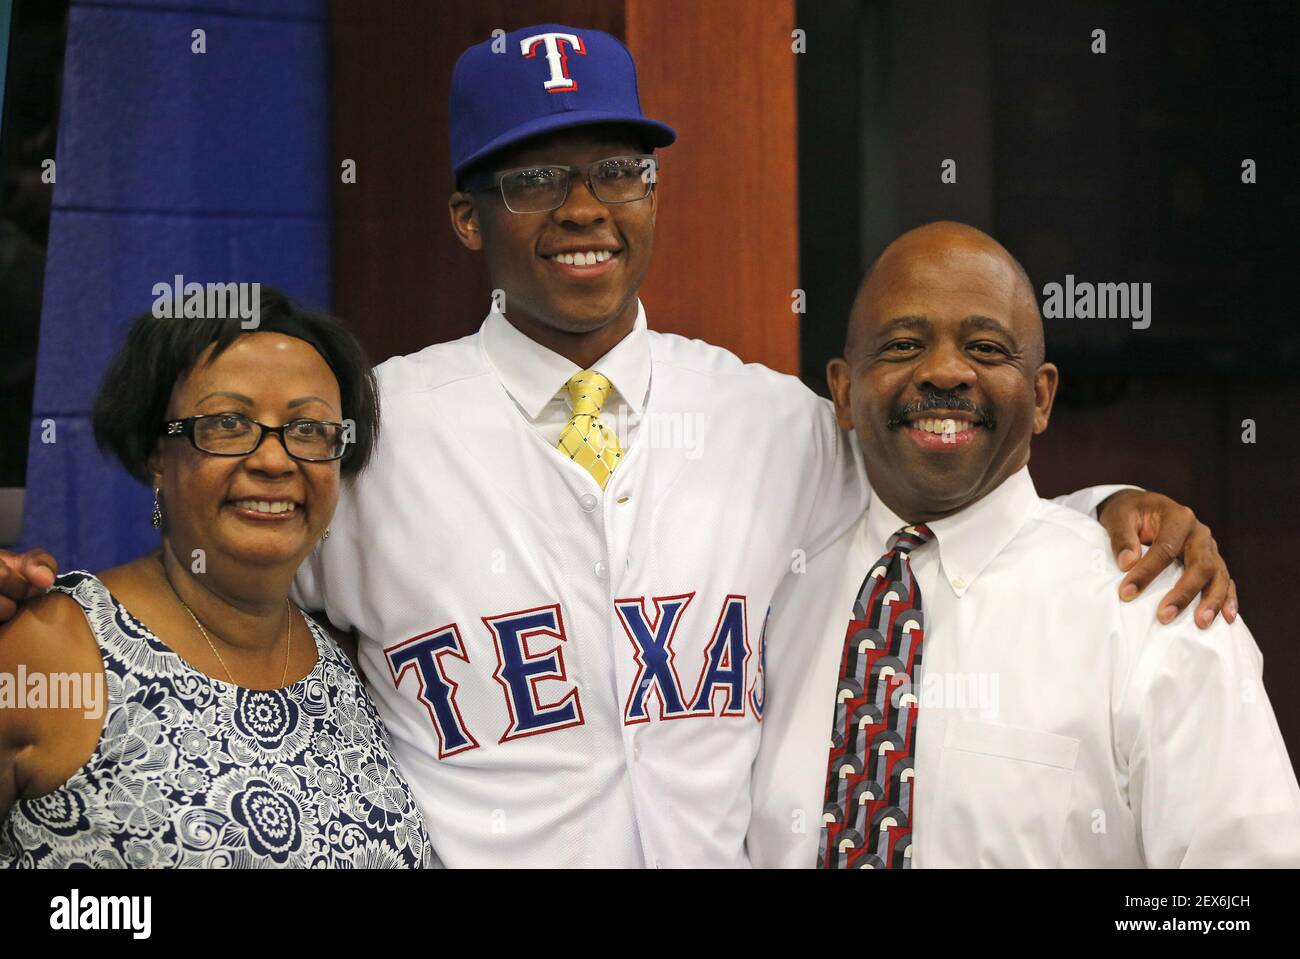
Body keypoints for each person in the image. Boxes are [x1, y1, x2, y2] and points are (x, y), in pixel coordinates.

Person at [1, 26, 1234, 868]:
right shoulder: (365, 427)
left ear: (652, 192)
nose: (583, 207)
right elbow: (212, 598)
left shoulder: (773, 421)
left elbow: (947, 490)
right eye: (534, 179)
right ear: (462, 213)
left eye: (616, 168)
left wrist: (1114, 505)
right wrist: (41, 623)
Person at [747, 222, 1300, 868]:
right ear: (843, 391)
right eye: (902, 344)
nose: (945, 371)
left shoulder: (1153, 608)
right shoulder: (769, 601)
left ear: (1041, 397)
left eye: (984, 347)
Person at [0, 289, 432, 867]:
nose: (276, 461)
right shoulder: (50, 648)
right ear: (158, 452)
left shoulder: (350, 665)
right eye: (229, 423)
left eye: (309, 429)